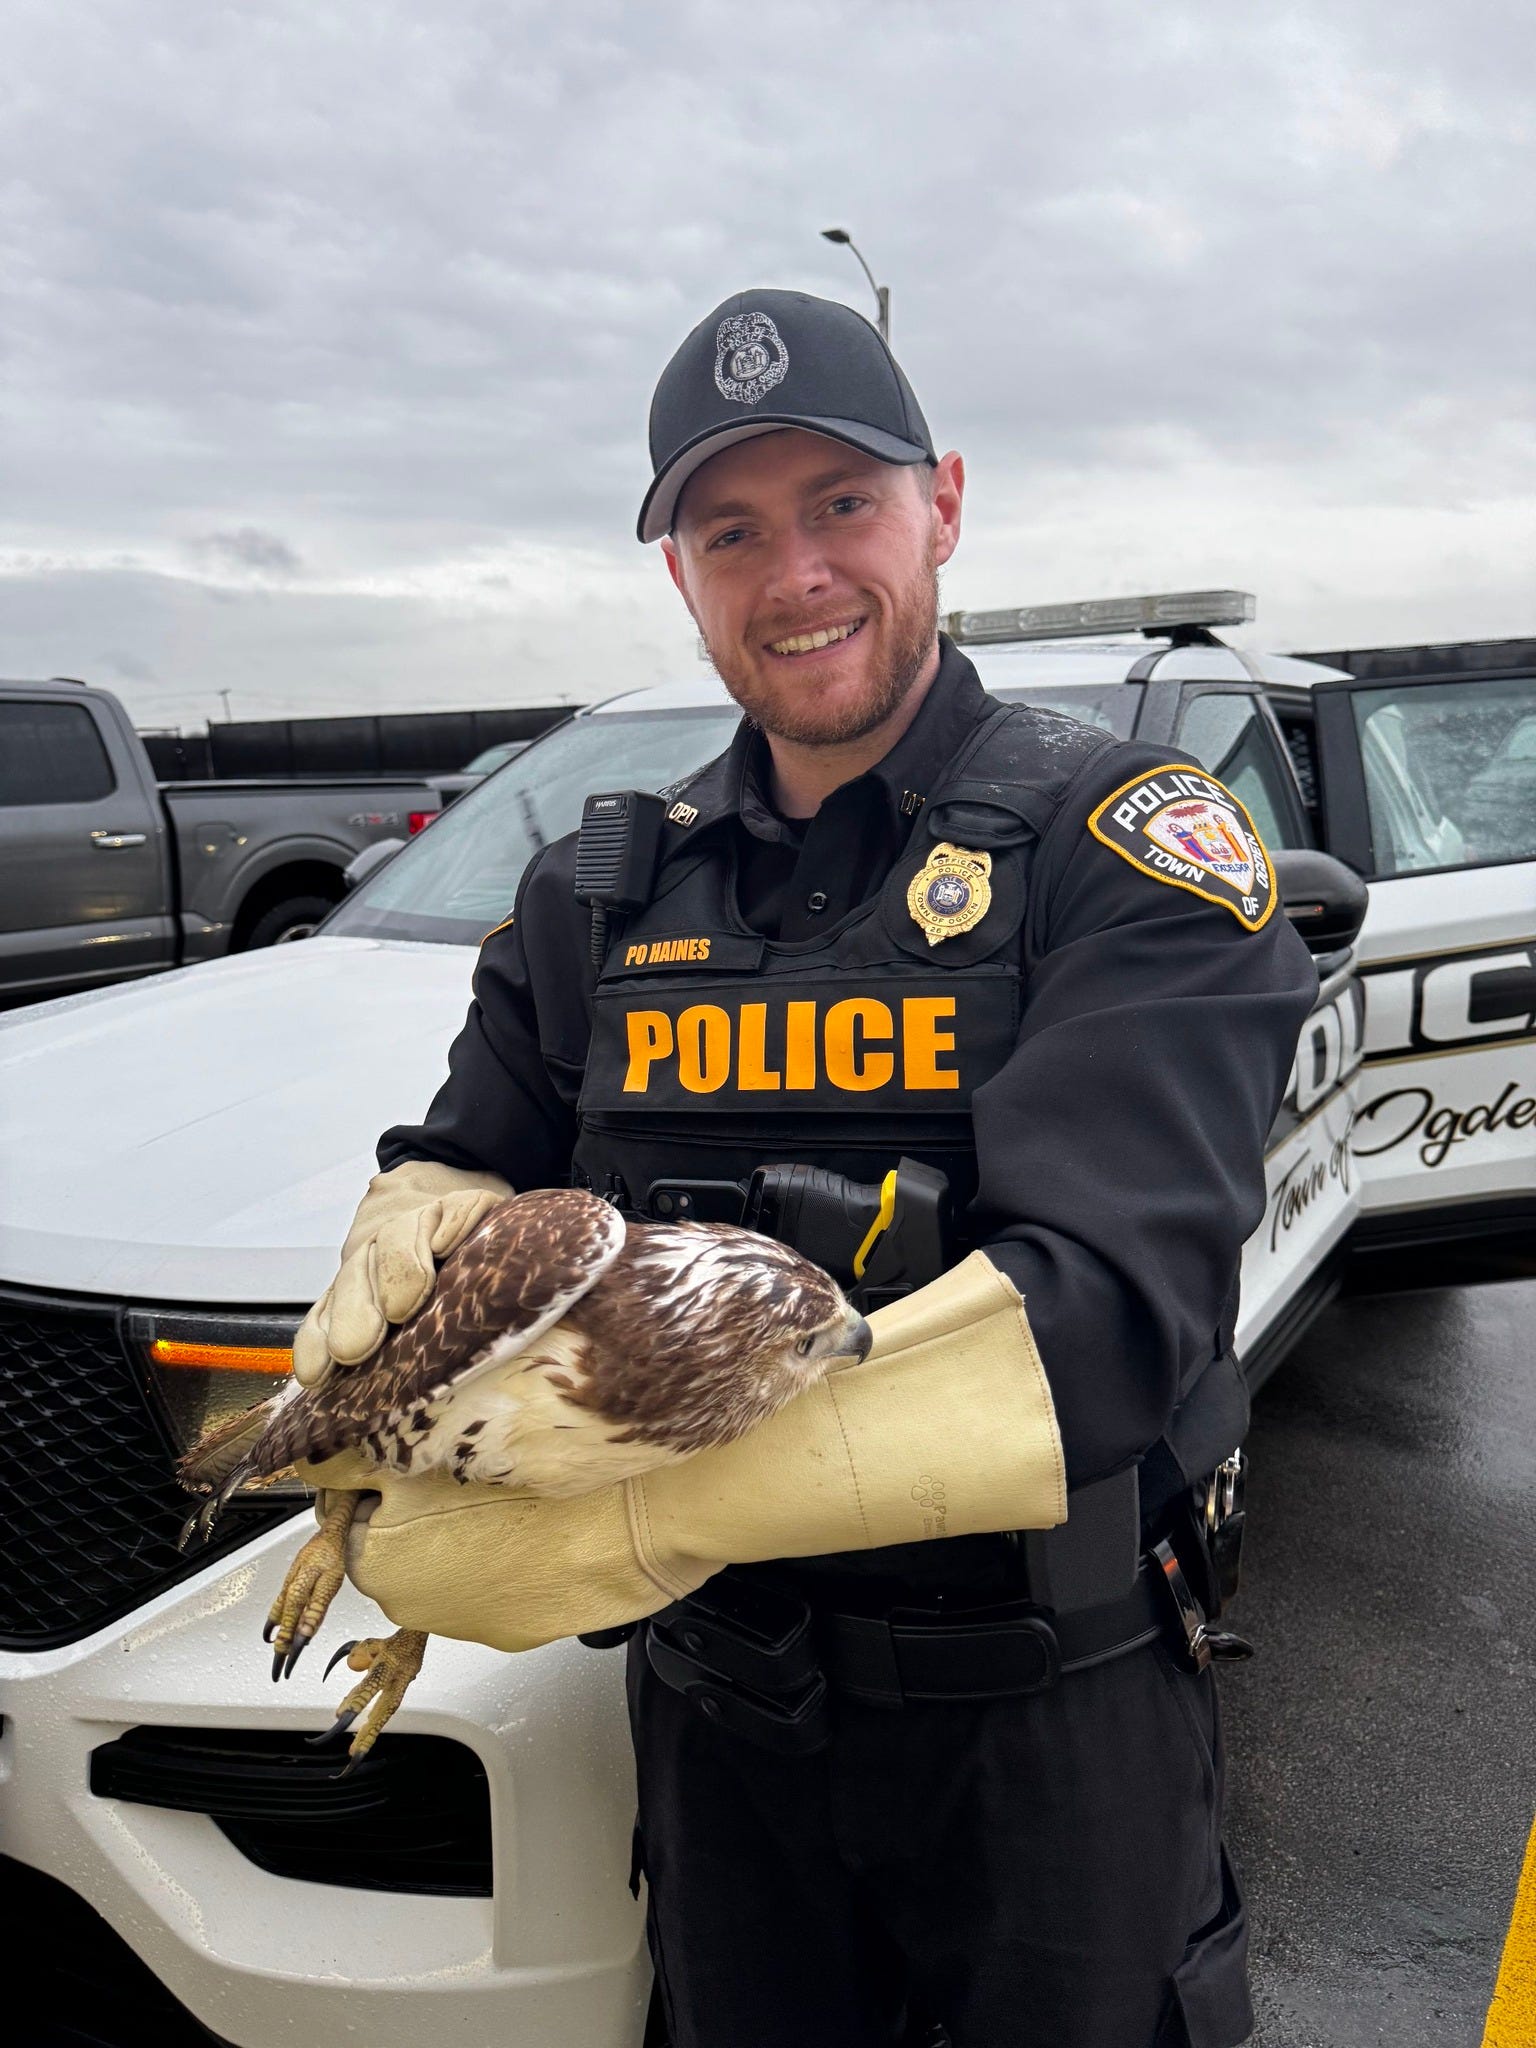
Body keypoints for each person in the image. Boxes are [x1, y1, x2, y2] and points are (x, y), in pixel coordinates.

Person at [296, 290, 1318, 2047]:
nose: (795, 578)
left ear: (947, 505)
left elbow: (1106, 1326)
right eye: (731, 531)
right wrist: (399, 1274)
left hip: (1045, 1737)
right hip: (721, 1738)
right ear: (680, 577)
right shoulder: (595, 901)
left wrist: (640, 1512)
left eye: (843, 504)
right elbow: (463, 1168)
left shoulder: (1126, 853)